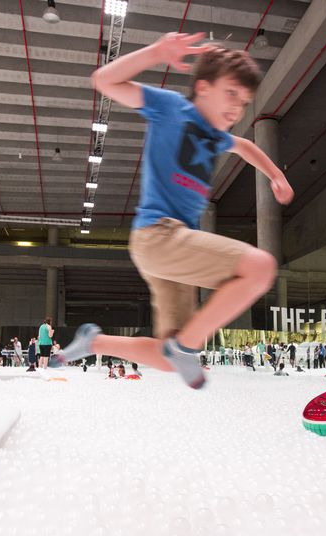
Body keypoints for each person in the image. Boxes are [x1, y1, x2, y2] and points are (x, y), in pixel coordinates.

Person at [51, 35, 291, 389]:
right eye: (231, 94)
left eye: (243, 102)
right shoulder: (170, 107)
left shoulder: (216, 137)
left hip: (173, 252)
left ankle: (95, 342)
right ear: (204, 87)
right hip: (159, 235)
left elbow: (246, 146)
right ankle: (187, 347)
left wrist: (276, 175)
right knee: (260, 266)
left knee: (165, 359)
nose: (237, 109)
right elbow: (104, 80)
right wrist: (157, 53)